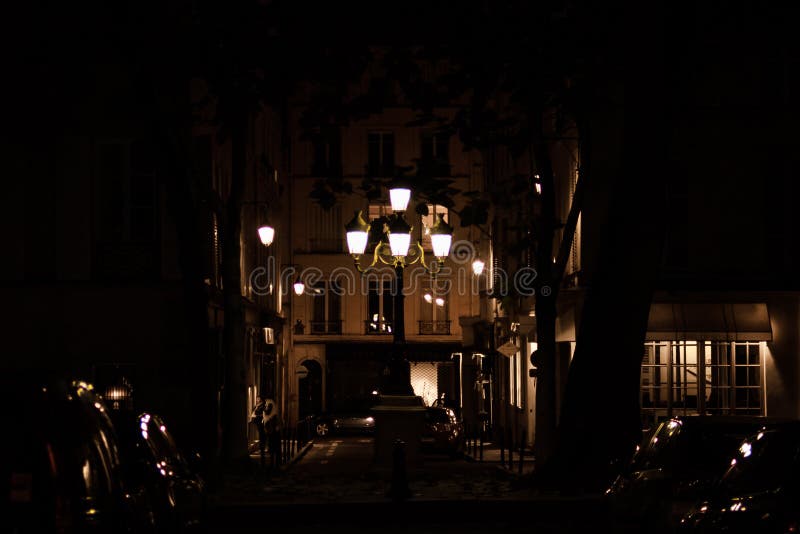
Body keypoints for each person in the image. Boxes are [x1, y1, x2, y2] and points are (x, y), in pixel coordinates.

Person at [263, 397, 281, 467]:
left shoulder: (270, 403)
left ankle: (274, 463)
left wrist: (264, 410)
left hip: (272, 428)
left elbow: (267, 412)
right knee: (273, 444)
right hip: (272, 428)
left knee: (273, 444)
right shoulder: (271, 403)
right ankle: (274, 462)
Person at [250, 396, 268, 465]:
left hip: (260, 422)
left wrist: (257, 416)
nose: (257, 400)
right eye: (257, 399)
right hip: (256, 422)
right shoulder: (256, 406)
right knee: (260, 434)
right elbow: (253, 411)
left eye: (258, 399)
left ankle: (262, 447)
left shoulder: (262, 406)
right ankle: (262, 447)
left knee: (261, 434)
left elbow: (262, 414)